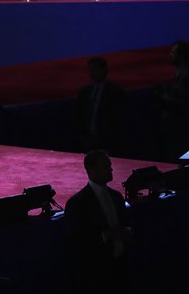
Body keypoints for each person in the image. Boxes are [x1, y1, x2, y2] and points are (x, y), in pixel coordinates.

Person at [64, 150, 131, 294]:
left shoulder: (117, 197)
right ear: (92, 170)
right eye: (106, 166)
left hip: (120, 271)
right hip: (95, 276)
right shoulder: (77, 204)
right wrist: (108, 235)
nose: (111, 169)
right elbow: (76, 241)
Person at [72, 57, 124, 153]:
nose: (92, 73)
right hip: (87, 142)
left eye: (95, 69)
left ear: (104, 69)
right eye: (90, 69)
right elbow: (78, 116)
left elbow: (118, 119)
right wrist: (82, 137)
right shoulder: (84, 92)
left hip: (107, 143)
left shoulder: (115, 92)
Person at [158, 39, 189, 161]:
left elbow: (184, 103)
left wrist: (164, 98)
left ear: (181, 55)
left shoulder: (186, 75)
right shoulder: (180, 73)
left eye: (173, 52)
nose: (170, 55)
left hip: (181, 128)